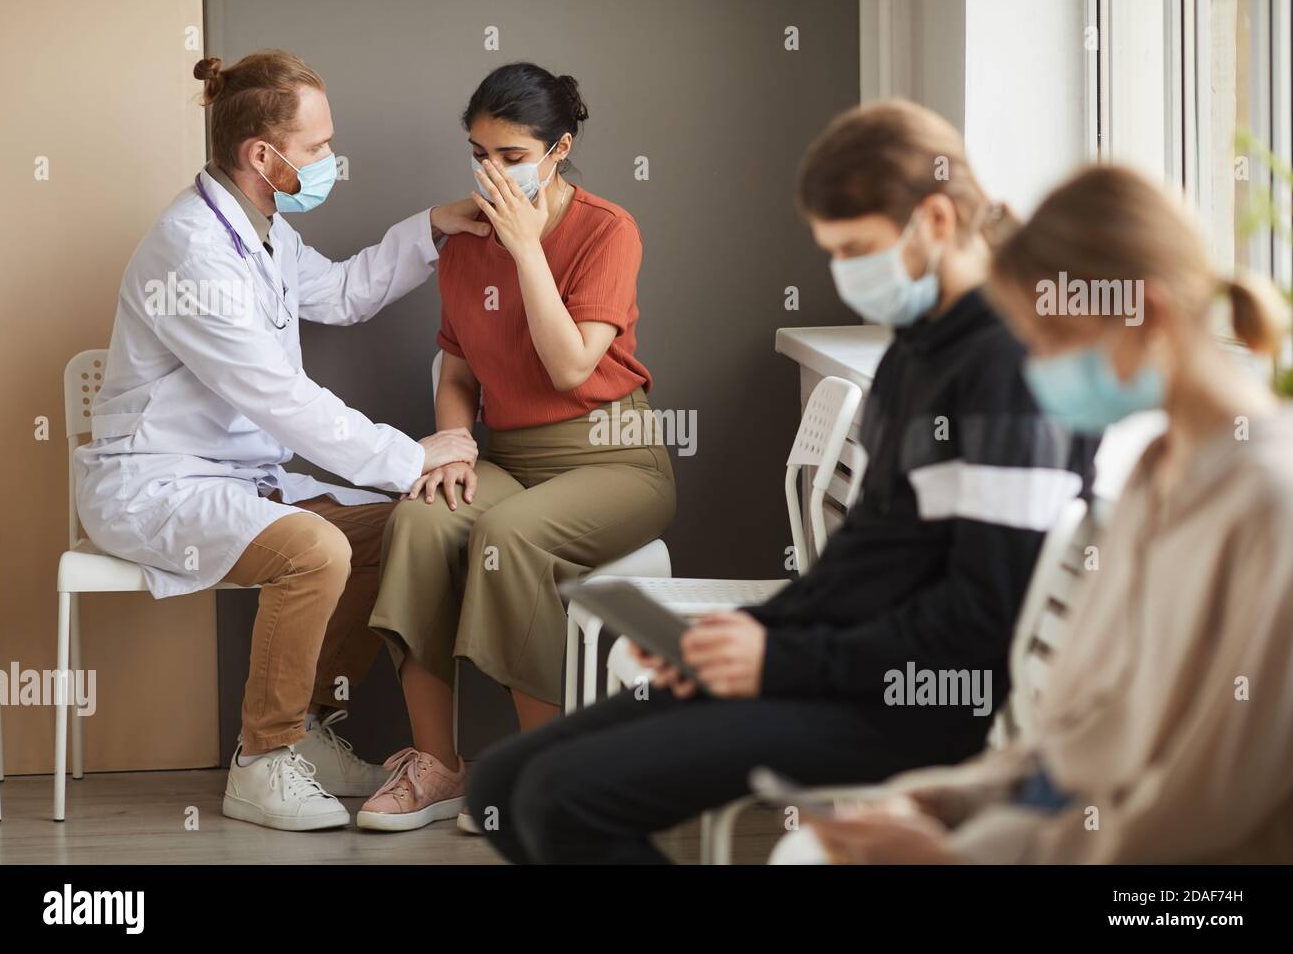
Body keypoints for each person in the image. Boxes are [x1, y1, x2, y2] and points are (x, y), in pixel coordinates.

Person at [464, 99, 1098, 863]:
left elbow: (972, 626)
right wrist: (747, 635)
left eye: (856, 247)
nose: (845, 272)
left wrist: (779, 661)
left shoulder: (1009, 371)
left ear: (935, 219)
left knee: (559, 797)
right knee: (501, 783)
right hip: (830, 669)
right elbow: (863, 562)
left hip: (909, 704)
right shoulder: (919, 352)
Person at [787, 164, 1293, 865]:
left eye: (1051, 341)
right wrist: (946, 798)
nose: (1035, 370)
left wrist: (963, 857)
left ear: (1144, 313)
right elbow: (1078, 735)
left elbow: (1204, 810)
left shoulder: (1270, 503)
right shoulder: (1156, 472)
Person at [75, 50, 486, 831]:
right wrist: (410, 456)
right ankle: (261, 761)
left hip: (235, 482)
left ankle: (302, 728)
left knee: (396, 529)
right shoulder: (193, 250)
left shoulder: (259, 230)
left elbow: (340, 293)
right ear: (262, 155)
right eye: (318, 147)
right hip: (154, 485)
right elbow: (276, 396)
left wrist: (432, 228)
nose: (332, 161)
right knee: (318, 549)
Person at [354, 62, 676, 833]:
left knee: (508, 537)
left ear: (558, 149)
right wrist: (456, 443)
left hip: (614, 459)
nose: (490, 174)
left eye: (511, 156)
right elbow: (458, 370)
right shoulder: (465, 242)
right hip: (511, 457)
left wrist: (528, 249)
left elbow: (571, 365)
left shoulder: (607, 230)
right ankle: (438, 767)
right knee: (422, 518)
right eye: (479, 153)